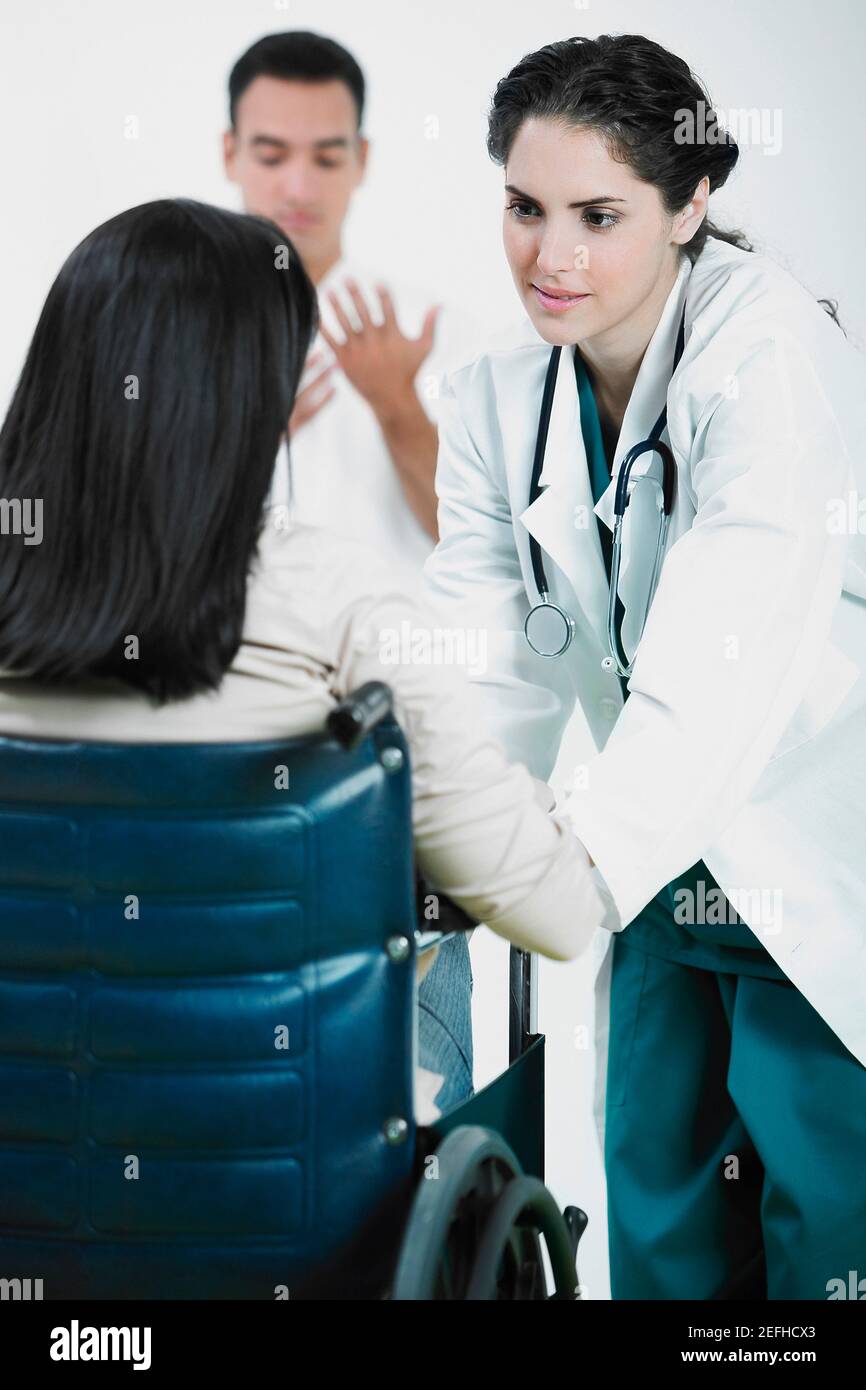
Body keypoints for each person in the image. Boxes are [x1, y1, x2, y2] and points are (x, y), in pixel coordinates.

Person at [0, 199, 618, 1129]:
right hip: (289, 1149)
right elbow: (560, 915)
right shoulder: (338, 601)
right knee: (418, 909)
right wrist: (511, 807)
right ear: (256, 396)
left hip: (32, 1134)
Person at [422, 33, 866, 1298]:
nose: (549, 255)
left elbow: (720, 664)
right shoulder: (498, 399)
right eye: (523, 207)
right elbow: (479, 661)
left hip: (816, 871)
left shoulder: (767, 364)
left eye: (597, 216)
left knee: (821, 1247)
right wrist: (436, 843)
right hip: (665, 874)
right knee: (665, 1241)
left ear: (688, 204)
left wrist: (556, 874)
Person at [223, 33, 483, 1107]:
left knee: (412, 1097)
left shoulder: (423, 327)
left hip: (390, 779)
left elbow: (480, 540)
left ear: (362, 160)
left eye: (326, 154)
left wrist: (396, 407)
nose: (299, 181)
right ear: (230, 153)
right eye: (271, 151)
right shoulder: (177, 328)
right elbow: (119, 533)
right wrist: (238, 427)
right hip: (219, 768)